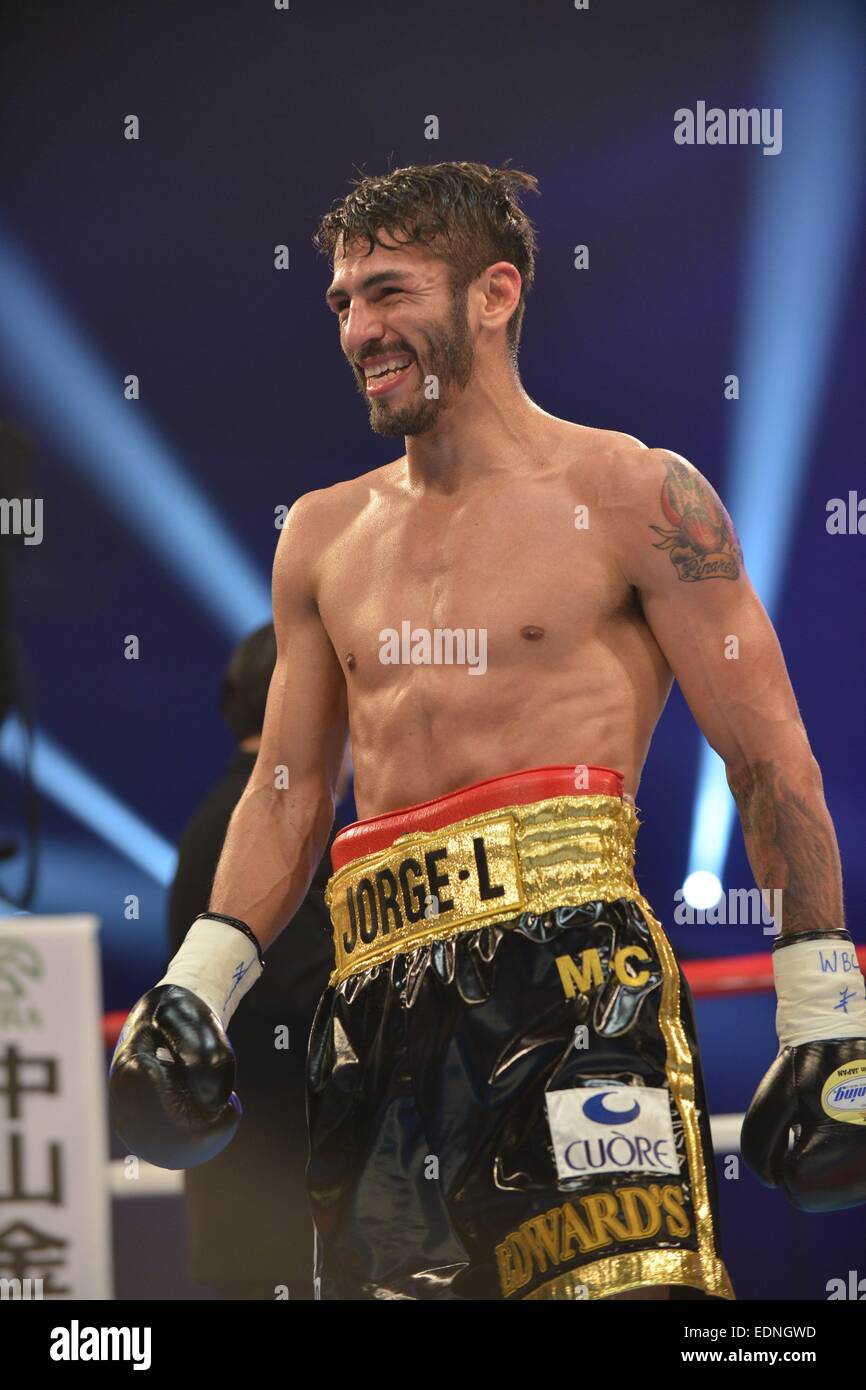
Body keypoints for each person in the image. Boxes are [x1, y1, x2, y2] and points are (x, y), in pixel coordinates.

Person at [111, 162, 866, 1301]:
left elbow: (767, 759)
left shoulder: (633, 494)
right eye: (342, 302)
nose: (359, 329)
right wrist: (194, 987)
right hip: (371, 1010)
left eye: (389, 291)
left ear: (493, 294)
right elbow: (286, 785)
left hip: (573, 985)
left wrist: (822, 1014)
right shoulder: (321, 535)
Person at [167, 623, 336, 1299]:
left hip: (261, 1199)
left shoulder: (222, 817)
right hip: (275, 1203)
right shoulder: (263, 833)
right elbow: (307, 995)